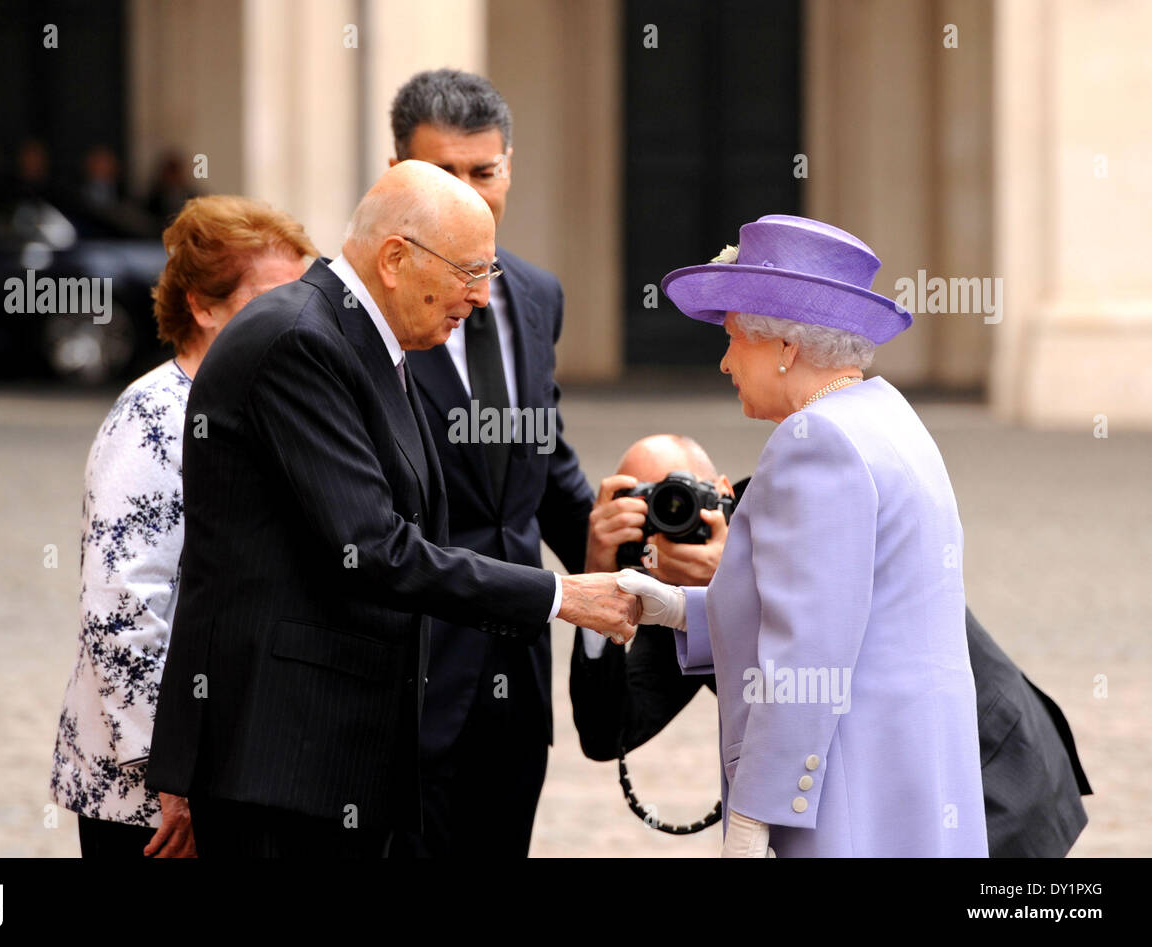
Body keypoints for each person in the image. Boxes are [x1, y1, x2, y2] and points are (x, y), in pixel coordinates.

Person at [144, 160, 638, 859]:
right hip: (283, 761)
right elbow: (374, 548)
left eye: (488, 274)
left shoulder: (371, 343)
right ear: (396, 258)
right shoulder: (300, 340)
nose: (478, 297)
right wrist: (562, 595)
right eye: (469, 272)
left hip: (340, 757)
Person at [617, 214, 988, 857]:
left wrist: (755, 818)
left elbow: (808, 655)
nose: (727, 361)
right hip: (908, 778)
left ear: (784, 347)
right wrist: (679, 608)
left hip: (846, 798)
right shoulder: (887, 415)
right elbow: (844, 611)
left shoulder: (814, 443)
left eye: (734, 338)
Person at [574, 434, 1092, 856]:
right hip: (890, 798)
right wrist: (596, 575)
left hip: (989, 767)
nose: (670, 512)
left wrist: (735, 582)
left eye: (681, 492)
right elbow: (607, 734)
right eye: (644, 500)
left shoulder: (791, 508)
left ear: (725, 491)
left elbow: (846, 633)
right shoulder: (671, 597)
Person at [50, 195, 317, 857]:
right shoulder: (151, 417)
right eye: (270, 299)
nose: (296, 317)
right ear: (203, 306)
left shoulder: (271, 400)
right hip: (154, 799)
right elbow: (122, 612)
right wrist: (167, 775)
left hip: (235, 776)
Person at [388, 68, 596, 858]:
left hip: (516, 680)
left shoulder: (538, 297)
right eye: (442, 174)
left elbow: (541, 469)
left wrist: (636, 559)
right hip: (408, 683)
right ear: (398, 176)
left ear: (509, 169)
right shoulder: (367, 307)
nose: (468, 192)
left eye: (484, 171)